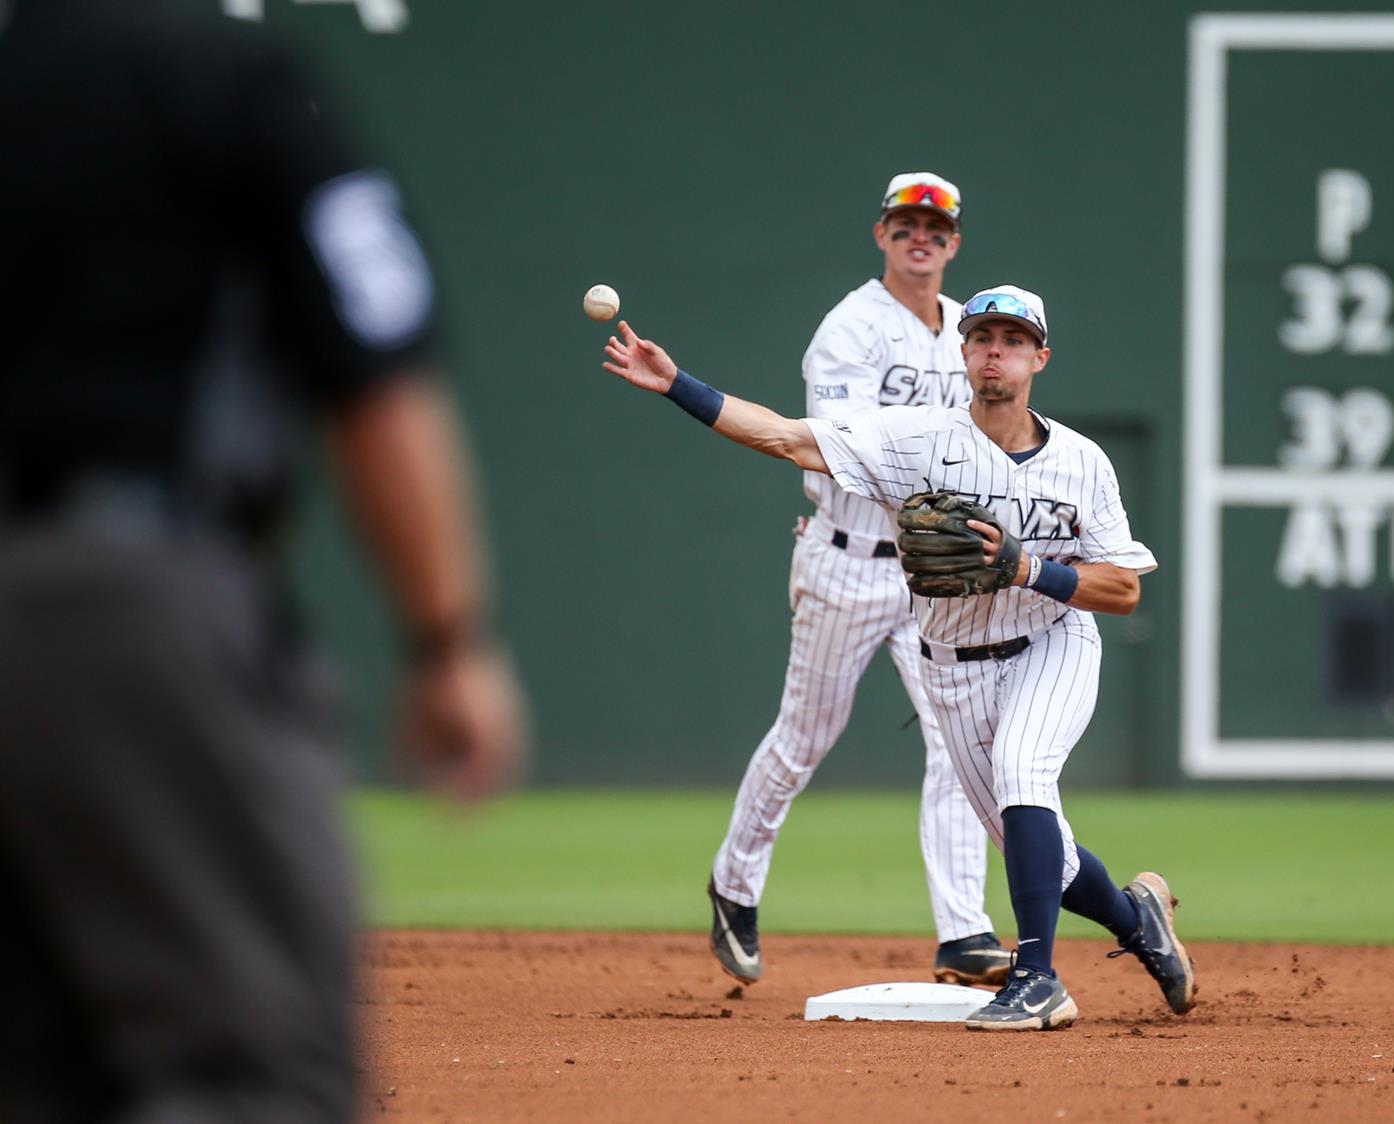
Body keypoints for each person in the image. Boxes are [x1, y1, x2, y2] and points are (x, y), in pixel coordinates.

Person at [0, 1, 527, 1118]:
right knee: (253, 1074)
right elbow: (375, 365)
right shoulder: (218, 72)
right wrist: (447, 639)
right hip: (122, 603)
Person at [603, 284, 1194, 1031]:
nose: (995, 352)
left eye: (1013, 341)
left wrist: (1028, 570)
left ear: (1039, 358)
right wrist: (677, 386)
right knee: (1040, 849)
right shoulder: (914, 440)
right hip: (954, 664)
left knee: (1024, 772)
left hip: (1052, 640)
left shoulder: (1082, 463)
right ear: (964, 351)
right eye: (983, 338)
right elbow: (788, 438)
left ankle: (1037, 978)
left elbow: (1121, 591)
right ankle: (1138, 919)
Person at [702, 173, 1009, 988]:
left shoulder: (965, 334)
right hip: (848, 560)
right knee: (805, 739)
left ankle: (965, 932)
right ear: (881, 234)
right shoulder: (850, 330)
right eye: (907, 224)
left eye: (936, 228)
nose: (922, 238)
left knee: (959, 743)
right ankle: (734, 885)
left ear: (954, 244)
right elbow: (841, 445)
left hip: (933, 577)